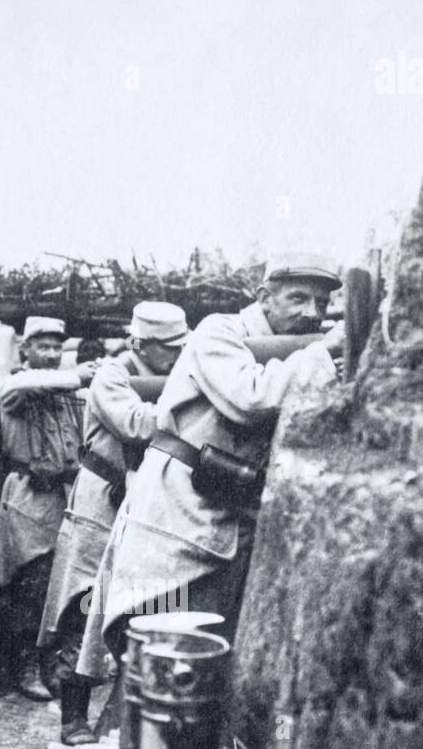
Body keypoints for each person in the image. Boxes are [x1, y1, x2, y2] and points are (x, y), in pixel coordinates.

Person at [76, 253, 344, 670]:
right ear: (264, 298)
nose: (313, 312)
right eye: (298, 298)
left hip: (223, 515)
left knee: (204, 653)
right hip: (178, 517)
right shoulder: (218, 331)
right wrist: (323, 355)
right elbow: (251, 399)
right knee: (160, 646)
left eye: (322, 303)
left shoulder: (290, 350)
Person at [38, 301, 188, 744]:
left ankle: (122, 715)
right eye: (169, 347)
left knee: (141, 603)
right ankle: (73, 719)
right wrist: (192, 398)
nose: (178, 355)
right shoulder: (111, 374)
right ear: (140, 343)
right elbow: (135, 424)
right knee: (83, 606)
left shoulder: (173, 372)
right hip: (100, 503)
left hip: (142, 502)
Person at [0, 315, 97, 700]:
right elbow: (26, 385)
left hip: (64, 496)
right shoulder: (16, 385)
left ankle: (52, 662)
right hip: (29, 496)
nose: (51, 353)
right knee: (29, 583)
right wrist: (77, 375)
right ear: (24, 349)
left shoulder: (64, 392)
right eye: (42, 346)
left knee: (59, 584)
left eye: (57, 347)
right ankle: (25, 665)